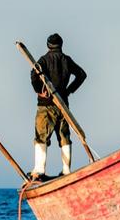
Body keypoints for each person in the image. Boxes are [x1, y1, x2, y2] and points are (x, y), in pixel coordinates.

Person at [30, 33, 86, 180]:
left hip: (46, 105)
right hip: (63, 105)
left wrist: (39, 91)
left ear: (48, 45)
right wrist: (69, 90)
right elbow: (81, 75)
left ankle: (39, 170)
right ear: (61, 45)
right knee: (64, 137)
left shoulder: (44, 60)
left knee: (41, 136)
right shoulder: (67, 60)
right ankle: (66, 170)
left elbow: (34, 75)